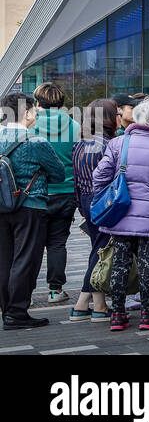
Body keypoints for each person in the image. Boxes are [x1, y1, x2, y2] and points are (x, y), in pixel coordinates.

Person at [90, 97, 149, 332]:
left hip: (120, 213)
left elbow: (99, 177)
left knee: (120, 263)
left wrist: (105, 199)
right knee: (148, 265)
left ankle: (117, 315)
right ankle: (148, 313)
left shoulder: (118, 144)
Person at [0, 90, 65, 330]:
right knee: (25, 258)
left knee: (4, 259)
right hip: (30, 205)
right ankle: (17, 313)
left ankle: (7, 310)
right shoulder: (36, 142)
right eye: (34, 111)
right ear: (26, 113)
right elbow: (58, 173)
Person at [69, 98, 118, 323]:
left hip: (86, 201)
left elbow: (77, 182)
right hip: (105, 202)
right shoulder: (111, 145)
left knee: (97, 250)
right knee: (101, 251)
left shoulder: (80, 144)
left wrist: (81, 208)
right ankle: (83, 304)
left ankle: (97, 305)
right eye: (115, 114)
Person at [31, 82, 79, 308]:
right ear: (61, 102)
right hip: (66, 192)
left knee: (31, 245)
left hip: (36, 194)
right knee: (57, 243)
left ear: (37, 102)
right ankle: (55, 290)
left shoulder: (30, 126)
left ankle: (26, 292)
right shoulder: (74, 125)